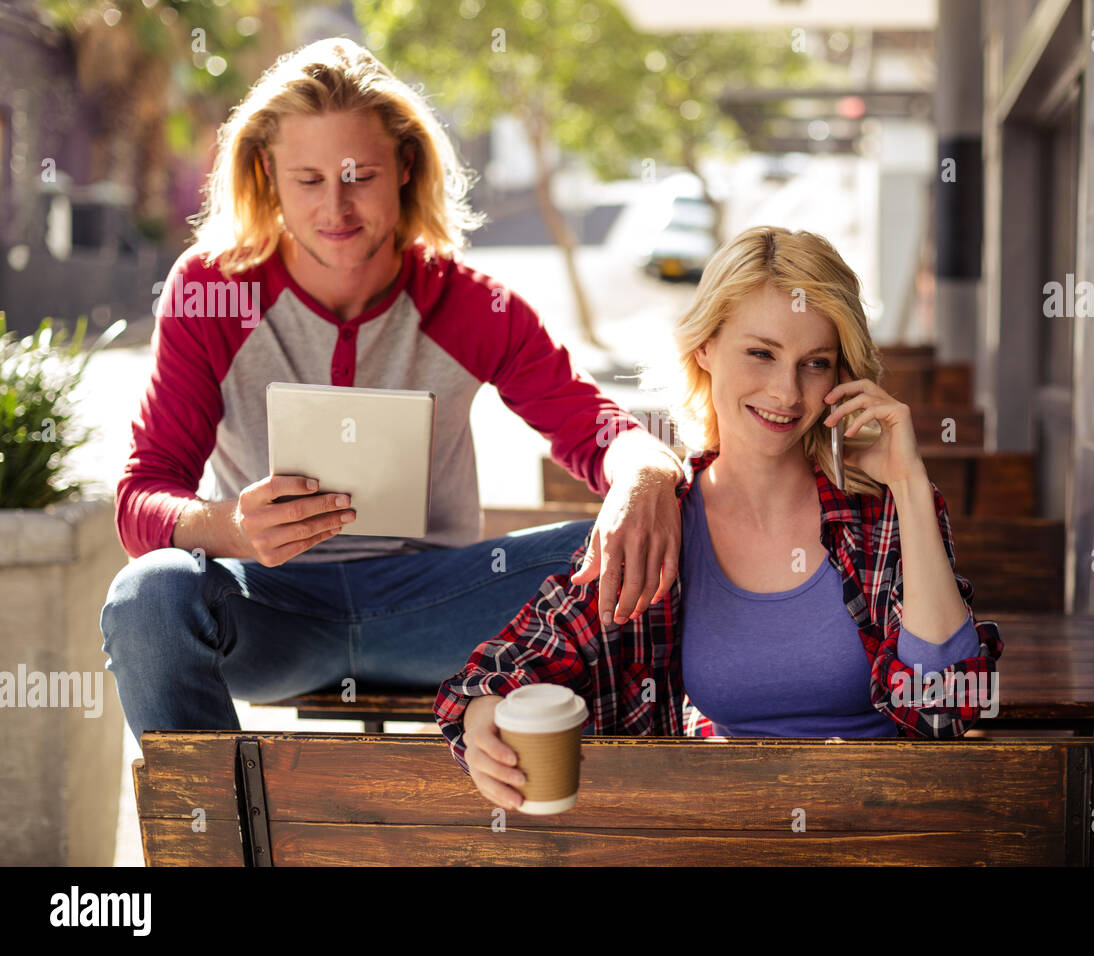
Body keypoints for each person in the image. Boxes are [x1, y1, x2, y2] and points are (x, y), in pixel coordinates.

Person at [99, 37, 685, 744]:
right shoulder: (211, 291)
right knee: (149, 594)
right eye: (309, 180)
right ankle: (211, 828)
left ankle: (614, 823)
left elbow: (589, 426)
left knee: (646, 550)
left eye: (360, 176)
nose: (336, 208)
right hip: (270, 611)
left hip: (438, 609)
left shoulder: (468, 302)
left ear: (405, 166)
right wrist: (228, 529)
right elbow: (140, 500)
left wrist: (646, 467)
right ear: (268, 174)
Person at [433, 226, 1005, 809]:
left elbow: (946, 709)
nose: (786, 392)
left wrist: (909, 483)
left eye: (815, 363)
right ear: (705, 346)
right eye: (761, 353)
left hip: (893, 821)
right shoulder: (666, 522)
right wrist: (482, 712)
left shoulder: (880, 514)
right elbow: (511, 663)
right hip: (729, 823)